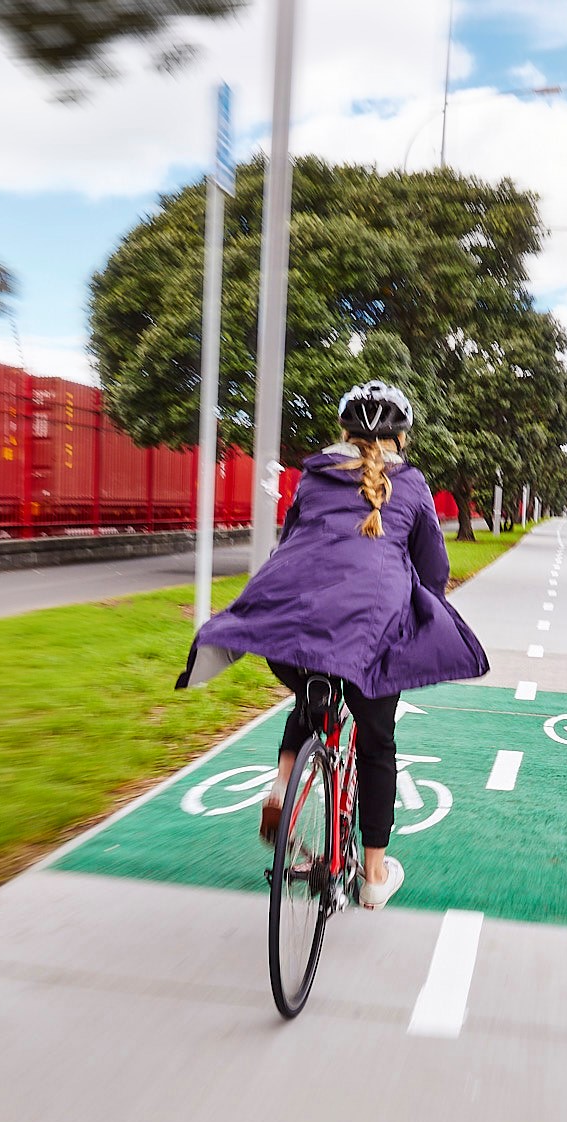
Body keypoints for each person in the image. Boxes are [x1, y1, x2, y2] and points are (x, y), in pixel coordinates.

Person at [179, 382, 488, 908]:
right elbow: (434, 569)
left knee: (311, 689)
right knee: (376, 743)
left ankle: (281, 787)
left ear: (342, 432)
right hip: (374, 634)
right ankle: (372, 874)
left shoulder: (311, 479)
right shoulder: (411, 486)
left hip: (289, 617)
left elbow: (291, 544)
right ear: (402, 437)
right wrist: (422, 604)